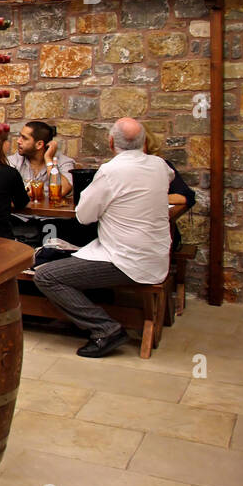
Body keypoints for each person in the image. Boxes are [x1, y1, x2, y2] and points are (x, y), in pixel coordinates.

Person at [33, 118, 173, 358]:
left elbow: (84, 216)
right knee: (69, 254)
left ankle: (106, 329)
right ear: (144, 142)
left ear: (110, 142)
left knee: (46, 275)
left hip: (126, 260)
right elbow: (165, 178)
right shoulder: (160, 165)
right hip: (157, 256)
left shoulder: (110, 171)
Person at [7, 120, 74, 201]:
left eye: (24, 138)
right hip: (19, 214)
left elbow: (62, 190)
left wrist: (48, 160)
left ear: (39, 144)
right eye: (20, 136)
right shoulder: (12, 162)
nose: (18, 141)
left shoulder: (64, 162)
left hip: (49, 213)